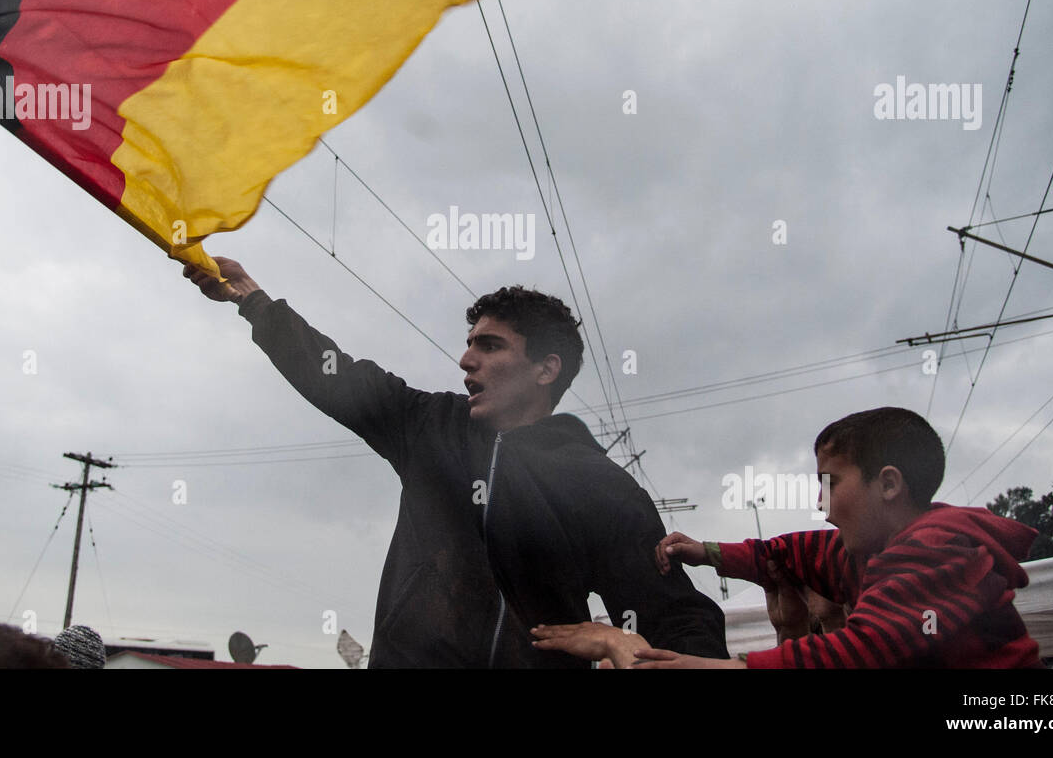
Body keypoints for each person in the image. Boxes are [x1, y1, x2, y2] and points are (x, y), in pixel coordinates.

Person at [185, 256, 726, 668]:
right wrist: (253, 300)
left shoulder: (601, 487)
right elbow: (337, 374)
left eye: (490, 347)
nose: (467, 359)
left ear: (545, 369)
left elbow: (675, 616)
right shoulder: (427, 428)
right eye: (469, 344)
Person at [534, 407, 1041, 668]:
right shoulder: (866, 550)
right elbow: (789, 553)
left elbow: (859, 652)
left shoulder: (936, 548)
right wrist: (707, 553)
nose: (821, 504)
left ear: (887, 483)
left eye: (831, 484)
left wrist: (712, 666)